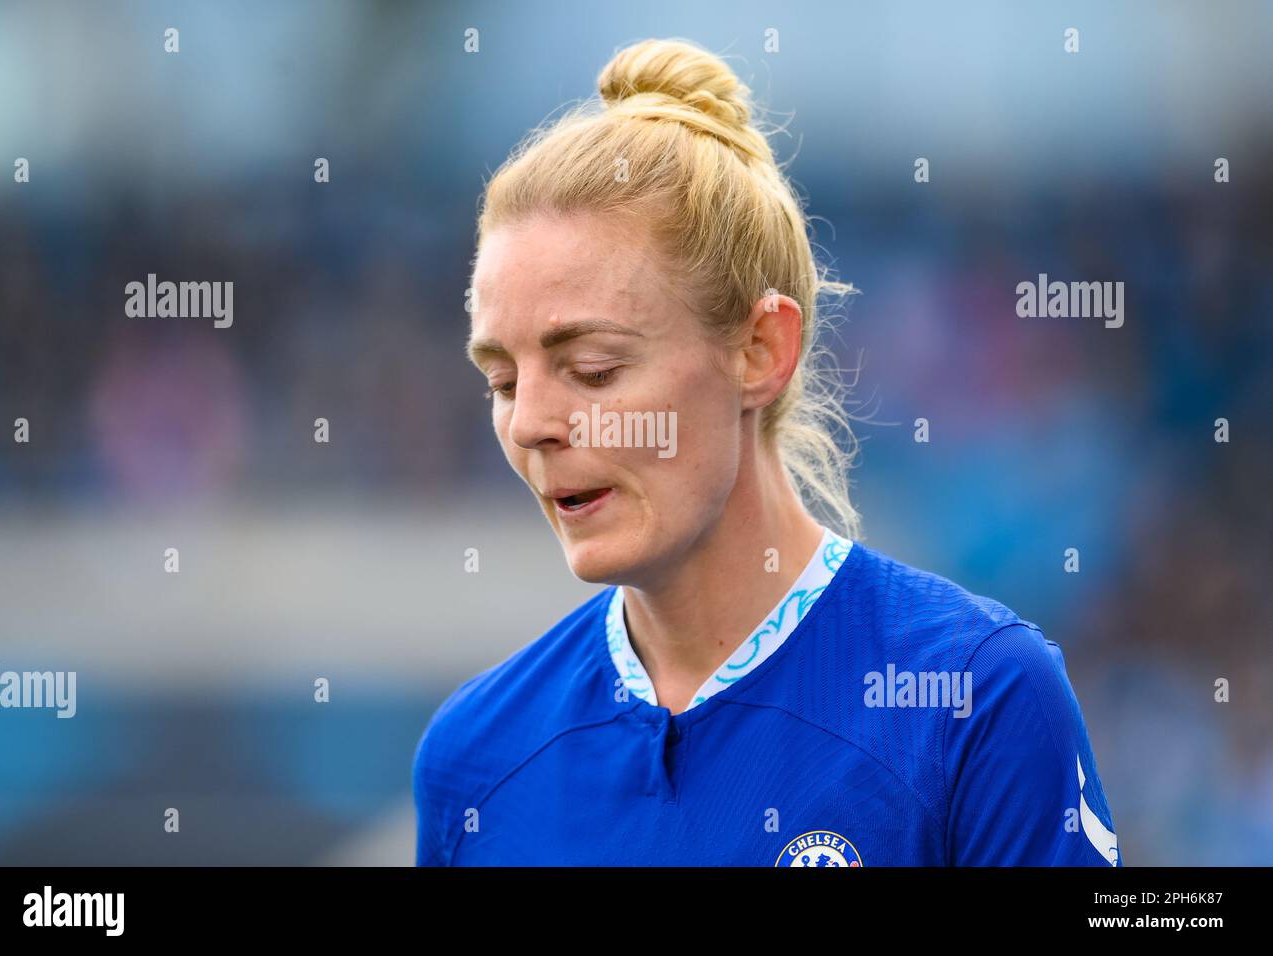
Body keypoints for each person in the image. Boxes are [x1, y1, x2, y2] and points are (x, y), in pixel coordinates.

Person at [412, 37, 1119, 866]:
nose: (531, 422)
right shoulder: (475, 756)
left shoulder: (978, 699)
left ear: (759, 351)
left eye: (591, 370)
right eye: (501, 381)